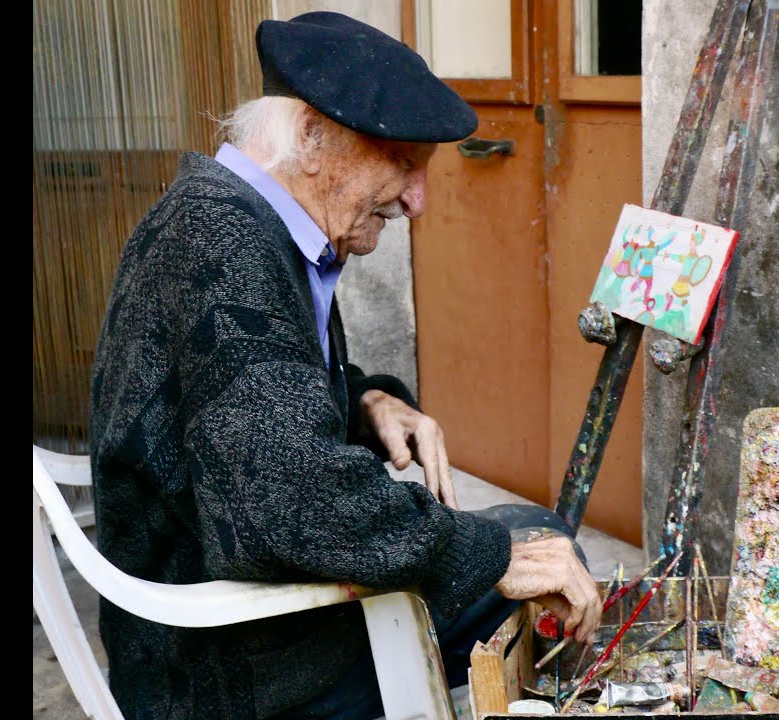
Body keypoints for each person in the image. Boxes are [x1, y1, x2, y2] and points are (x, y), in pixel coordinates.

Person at [88, 11, 601, 720]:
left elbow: (252, 394)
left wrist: (368, 401)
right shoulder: (221, 243)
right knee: (535, 546)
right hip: (222, 664)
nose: (417, 201)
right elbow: (292, 498)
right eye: (403, 163)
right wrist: (490, 554)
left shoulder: (246, 219)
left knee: (534, 537)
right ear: (310, 138)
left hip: (239, 618)